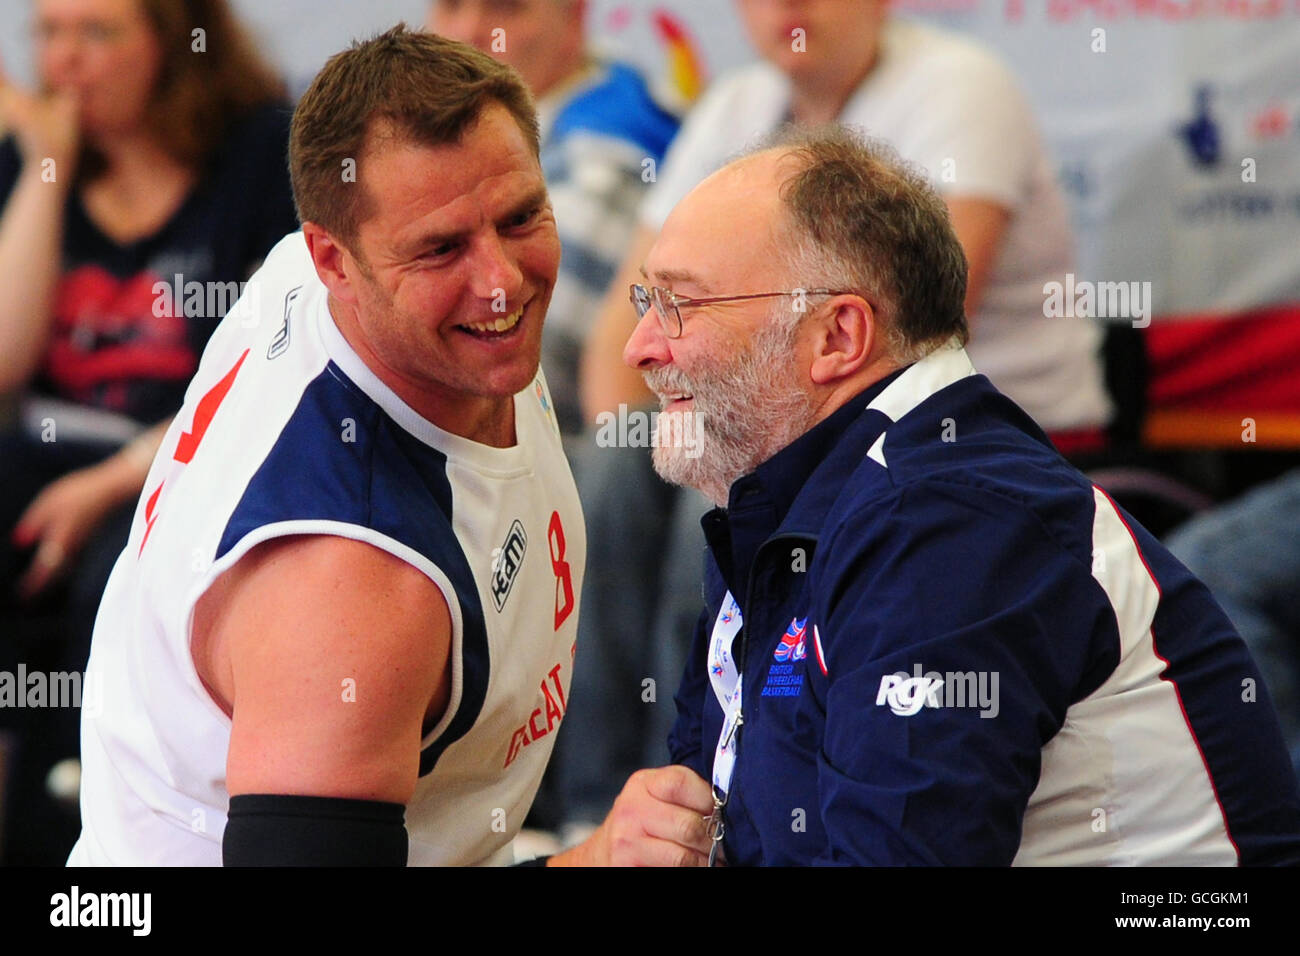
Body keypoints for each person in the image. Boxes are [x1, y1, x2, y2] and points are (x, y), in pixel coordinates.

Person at [66, 25, 712, 868]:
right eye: (442, 250)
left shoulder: (345, 279)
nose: (502, 282)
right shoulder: (347, 591)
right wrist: (591, 862)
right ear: (333, 261)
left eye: (522, 216)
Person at [625, 125, 1300, 865]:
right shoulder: (790, 499)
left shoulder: (942, 519)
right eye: (644, 302)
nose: (643, 348)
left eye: (680, 306)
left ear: (837, 336)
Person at [560, 0, 1116, 833]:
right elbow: (616, 337)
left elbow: (905, 327)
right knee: (615, 469)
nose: (784, 7)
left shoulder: (962, 85)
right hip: (812, 435)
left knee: (707, 501)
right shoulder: (736, 110)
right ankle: (598, 809)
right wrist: (658, 422)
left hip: (969, 441)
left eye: (681, 305)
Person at [0, 0, 297, 864]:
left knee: (117, 575)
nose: (66, 63)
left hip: (197, 458)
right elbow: (8, 362)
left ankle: (79, 841)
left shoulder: (255, 158)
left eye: (98, 34)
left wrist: (110, 481)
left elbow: (269, 363)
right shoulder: (36, 164)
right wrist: (45, 171)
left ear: (173, 43)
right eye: (50, 34)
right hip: (43, 459)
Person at [427, 0, 679, 443]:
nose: (470, 30)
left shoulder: (607, 160)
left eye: (504, 8)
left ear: (574, 19)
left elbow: (523, 377)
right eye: (451, 7)